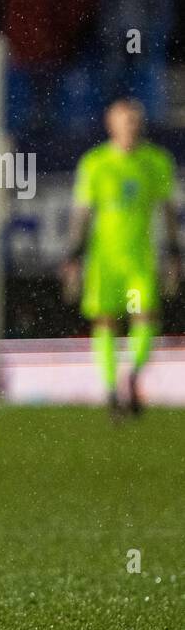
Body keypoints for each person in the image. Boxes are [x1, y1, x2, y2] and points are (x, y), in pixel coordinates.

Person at [63, 99, 178, 416]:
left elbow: (167, 210)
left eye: (135, 121)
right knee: (106, 321)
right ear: (110, 125)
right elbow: (82, 212)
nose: (131, 127)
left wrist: (173, 252)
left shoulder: (157, 161)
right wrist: (74, 255)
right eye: (125, 121)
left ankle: (133, 375)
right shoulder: (95, 163)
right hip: (104, 260)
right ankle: (113, 389)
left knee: (145, 317)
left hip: (141, 257)